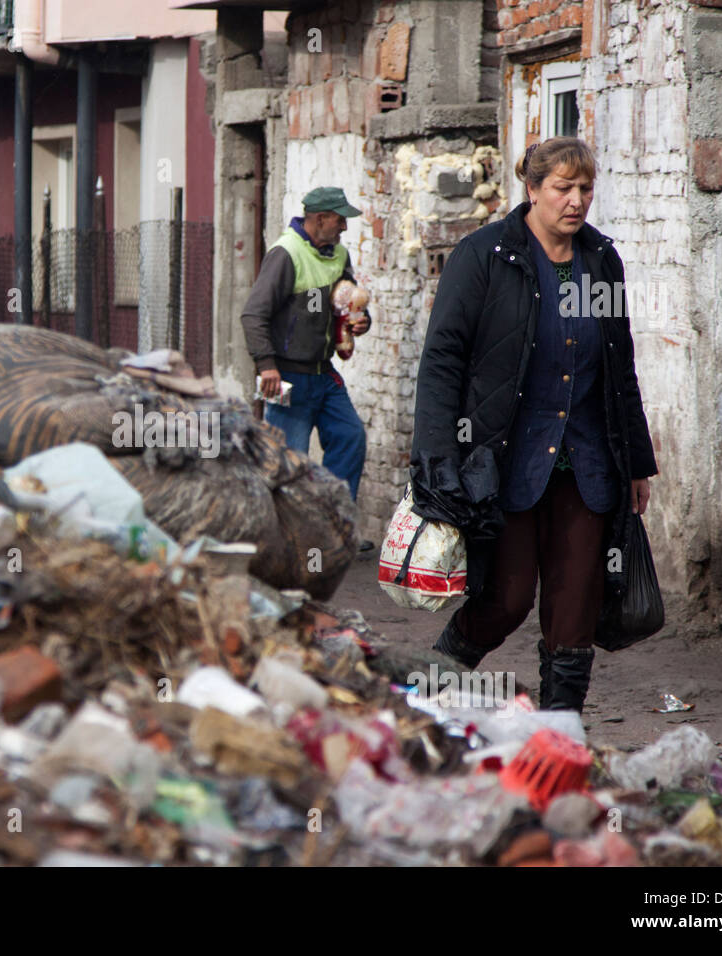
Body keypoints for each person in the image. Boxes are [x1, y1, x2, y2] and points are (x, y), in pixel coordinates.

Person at [410, 137, 657, 711]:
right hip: (504, 462)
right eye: (563, 188)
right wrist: (436, 456)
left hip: (589, 462)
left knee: (576, 605)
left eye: (585, 189)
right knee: (505, 597)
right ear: (532, 188)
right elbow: (443, 358)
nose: (576, 201)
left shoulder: (600, 261)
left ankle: (561, 733)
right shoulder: (486, 256)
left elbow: (620, 365)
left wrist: (638, 462)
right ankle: (426, 688)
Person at [240, 186, 373, 550]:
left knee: (350, 437)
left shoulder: (338, 254)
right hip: (288, 376)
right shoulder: (286, 253)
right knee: (289, 461)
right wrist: (266, 366)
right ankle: (285, 538)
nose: (345, 226)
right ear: (319, 219)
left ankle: (334, 525)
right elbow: (254, 314)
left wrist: (362, 321)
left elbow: (347, 303)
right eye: (340, 219)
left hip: (324, 373)